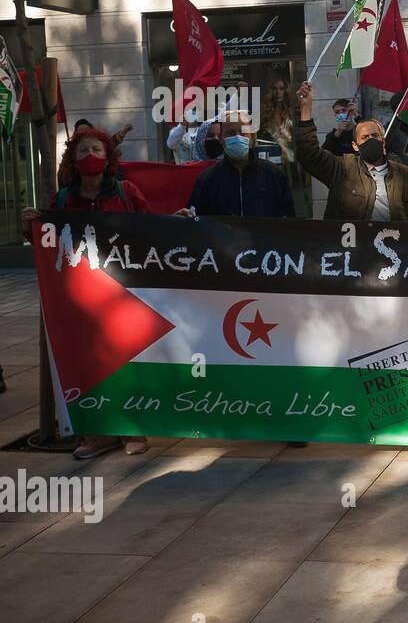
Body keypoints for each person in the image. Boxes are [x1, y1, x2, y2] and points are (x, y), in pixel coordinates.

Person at [22, 127, 154, 460]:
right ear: (73, 160)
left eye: (96, 149)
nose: (90, 156)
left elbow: (153, 231)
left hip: (125, 294)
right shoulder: (64, 201)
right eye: (82, 151)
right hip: (83, 300)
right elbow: (49, 243)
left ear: (108, 157)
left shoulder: (126, 192)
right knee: (92, 367)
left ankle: (133, 428)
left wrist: (179, 224)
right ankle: (98, 432)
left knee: (128, 363)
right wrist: (33, 225)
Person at [293, 82, 408, 221]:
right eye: (364, 137)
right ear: (355, 145)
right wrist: (305, 109)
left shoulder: (407, 177)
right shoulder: (343, 169)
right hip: (351, 242)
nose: (370, 140)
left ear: (383, 140)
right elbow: (309, 153)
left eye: (375, 136)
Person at [181, 110, 295, 218]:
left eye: (243, 132)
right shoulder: (207, 179)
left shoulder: (274, 175)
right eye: (230, 133)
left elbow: (288, 222)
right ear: (221, 138)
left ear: (252, 137)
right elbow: (197, 221)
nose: (237, 136)